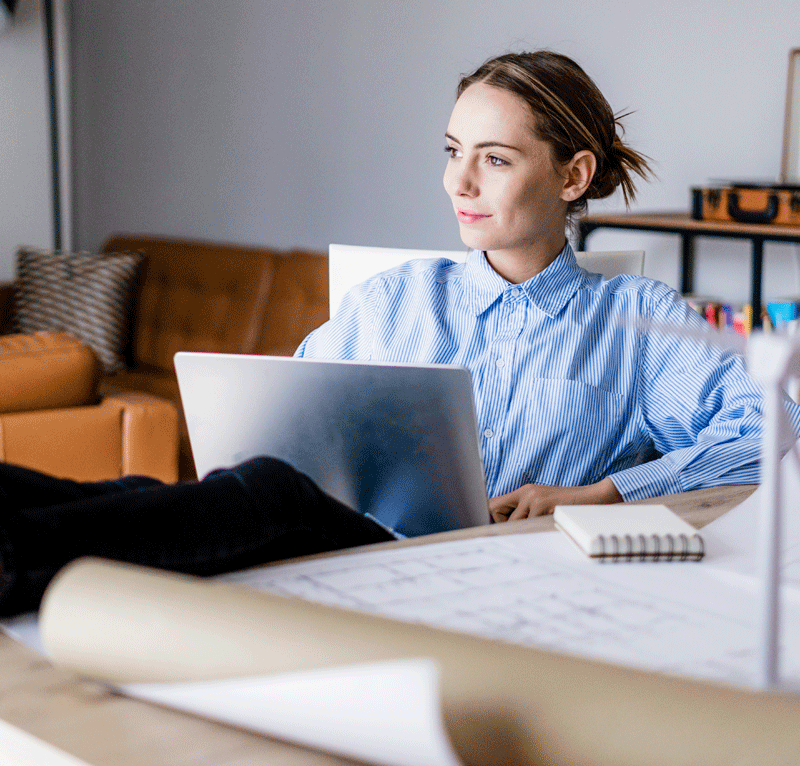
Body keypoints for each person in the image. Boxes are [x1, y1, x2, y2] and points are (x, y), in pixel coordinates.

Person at [1, 50, 797, 616]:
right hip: (344, 551)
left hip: (461, 570)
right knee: (159, 495)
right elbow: (278, 421)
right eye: (453, 153)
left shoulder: (637, 320)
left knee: (267, 496)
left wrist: (603, 493)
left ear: (572, 175)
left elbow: (773, 432)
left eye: (493, 158)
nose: (458, 182)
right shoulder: (396, 299)